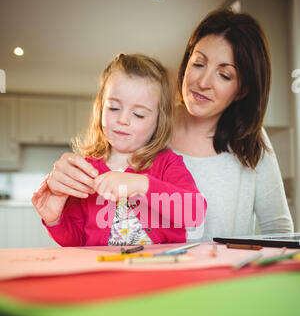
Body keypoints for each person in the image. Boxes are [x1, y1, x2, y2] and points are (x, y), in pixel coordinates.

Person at [32, 53, 206, 246]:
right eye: (114, 108)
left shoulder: (167, 163)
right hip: (104, 271)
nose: (123, 120)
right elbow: (77, 242)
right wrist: (54, 219)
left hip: (159, 270)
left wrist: (142, 184)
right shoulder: (85, 170)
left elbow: (195, 213)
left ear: (159, 121)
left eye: (139, 114)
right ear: (100, 108)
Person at [171, 8, 293, 241]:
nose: (203, 82)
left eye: (224, 75)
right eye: (198, 63)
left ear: (242, 91)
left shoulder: (251, 141)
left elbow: (279, 231)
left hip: (228, 277)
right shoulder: (151, 126)